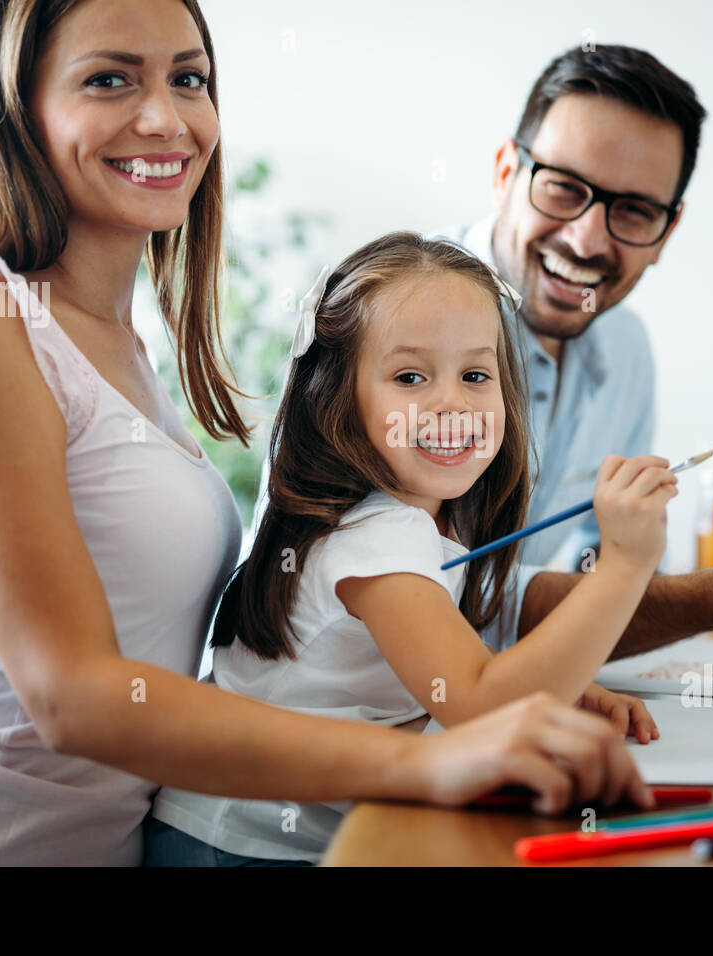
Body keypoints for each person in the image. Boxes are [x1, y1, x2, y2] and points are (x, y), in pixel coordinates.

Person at [0, 0, 654, 866]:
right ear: (13, 106)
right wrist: (434, 758)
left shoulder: (121, 343)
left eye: (189, 78)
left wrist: (517, 712)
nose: (165, 117)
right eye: (109, 78)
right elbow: (73, 697)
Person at [147, 233, 673, 865]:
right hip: (233, 848)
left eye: (475, 374)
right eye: (409, 376)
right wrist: (626, 566)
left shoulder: (413, 526)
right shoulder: (378, 540)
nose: (452, 402)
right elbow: (478, 704)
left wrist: (552, 692)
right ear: (338, 399)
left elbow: (455, 672)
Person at [436, 44, 713, 656]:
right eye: (562, 187)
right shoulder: (394, 318)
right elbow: (426, 592)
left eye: (633, 211)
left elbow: (588, 574)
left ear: (668, 230)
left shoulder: (626, 350)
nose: (585, 239)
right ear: (506, 172)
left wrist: (572, 665)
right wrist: (708, 600)